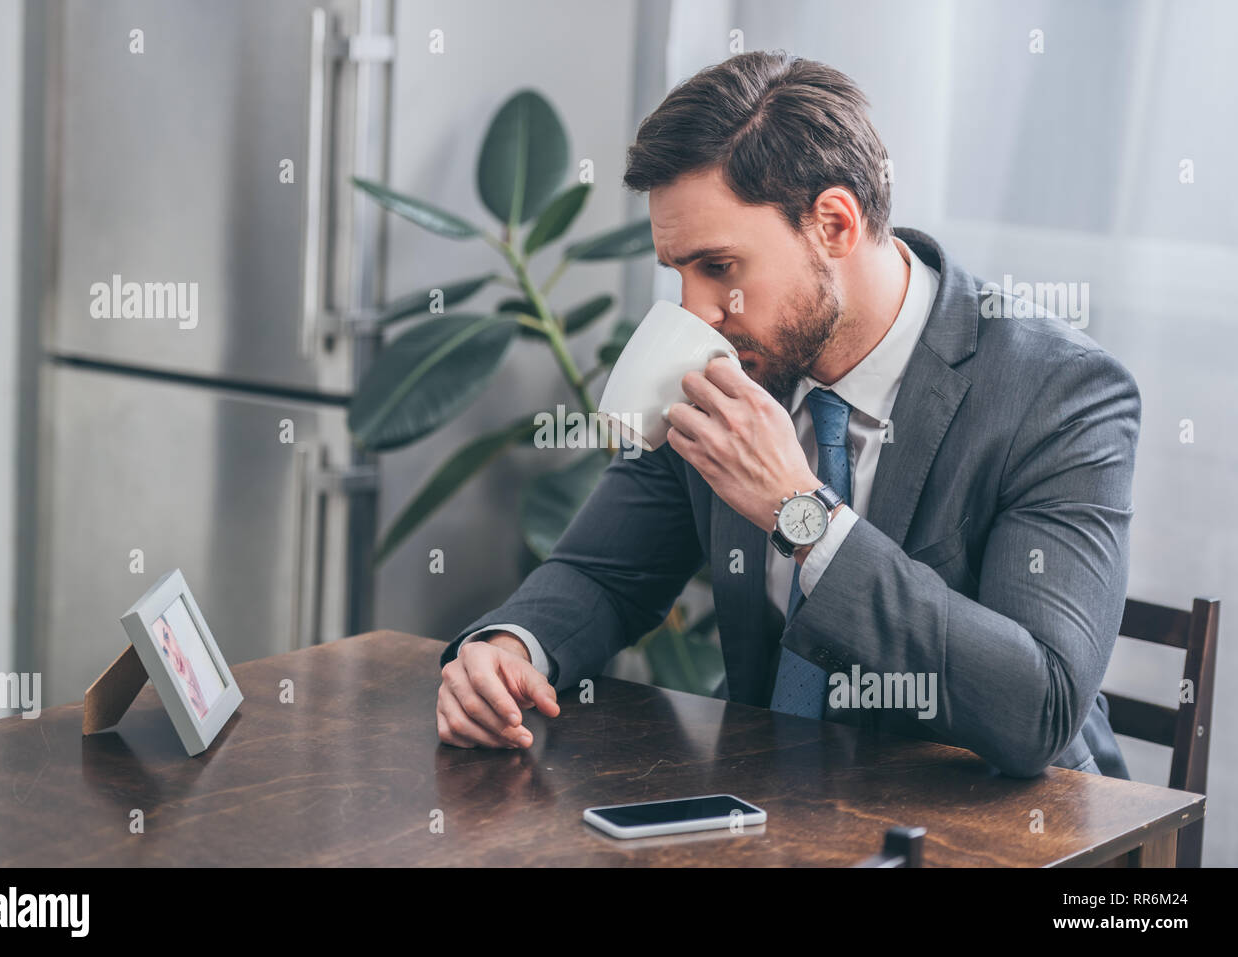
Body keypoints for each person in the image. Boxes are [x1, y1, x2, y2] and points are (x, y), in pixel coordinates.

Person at [436, 51, 1139, 778]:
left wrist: (801, 513)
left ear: (834, 224)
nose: (697, 312)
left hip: (1010, 828)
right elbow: (605, 574)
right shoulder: (731, 364)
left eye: (719, 268)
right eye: (677, 273)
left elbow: (1041, 708)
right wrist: (508, 649)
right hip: (779, 811)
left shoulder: (1060, 394)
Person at [154, 615, 210, 720]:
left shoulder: (205, 666)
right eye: (165, 652)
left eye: (167, 636)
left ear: (171, 630)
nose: (174, 658)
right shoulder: (189, 703)